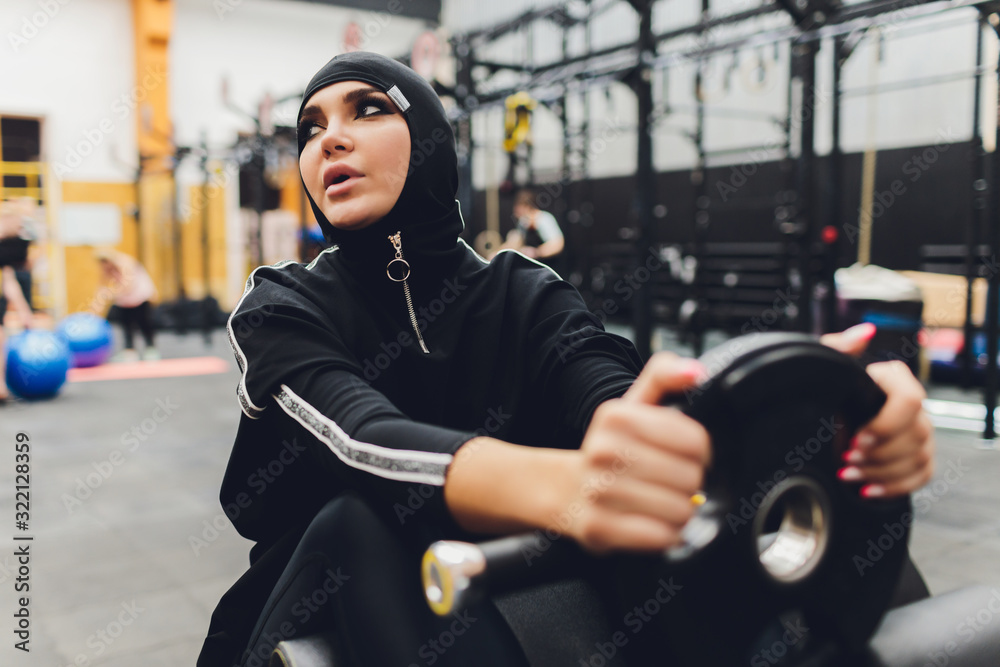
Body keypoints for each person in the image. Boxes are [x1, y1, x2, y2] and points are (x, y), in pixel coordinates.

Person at [198, 52, 934, 667]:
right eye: (311, 127)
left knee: (683, 521)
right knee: (357, 520)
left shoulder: (521, 287)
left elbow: (612, 398)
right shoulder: (280, 304)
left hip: (500, 581)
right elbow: (362, 439)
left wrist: (820, 410)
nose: (329, 138)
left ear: (427, 139)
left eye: (366, 109)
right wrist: (569, 485)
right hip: (317, 598)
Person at [94, 248, 159, 361]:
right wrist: (98, 298)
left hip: (140, 295)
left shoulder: (124, 262)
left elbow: (129, 285)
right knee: (126, 324)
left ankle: (151, 349)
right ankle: (130, 351)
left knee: (143, 323)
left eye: (105, 262)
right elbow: (102, 284)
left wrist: (111, 294)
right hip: (124, 298)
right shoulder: (106, 267)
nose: (104, 266)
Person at [0, 200, 36, 402]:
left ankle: (1, 387)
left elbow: (8, 279)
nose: (19, 227)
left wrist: (24, 311)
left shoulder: (7, 244)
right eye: (18, 222)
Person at [499, 188, 565, 275]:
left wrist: (536, 252)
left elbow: (557, 244)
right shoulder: (523, 223)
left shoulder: (544, 220)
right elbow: (516, 242)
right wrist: (498, 254)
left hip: (550, 272)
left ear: (527, 207)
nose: (515, 214)